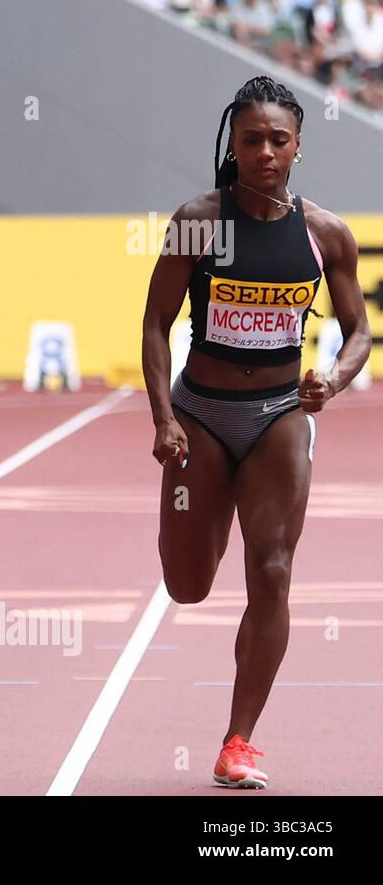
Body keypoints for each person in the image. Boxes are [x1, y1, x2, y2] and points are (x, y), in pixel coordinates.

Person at [141, 76, 371, 789]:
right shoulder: (198, 221)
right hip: (201, 416)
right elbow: (155, 322)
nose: (265, 151)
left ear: (298, 146)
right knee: (186, 585)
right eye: (251, 140)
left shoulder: (325, 233)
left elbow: (360, 331)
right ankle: (194, 549)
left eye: (278, 139)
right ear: (231, 145)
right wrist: (164, 417)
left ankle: (238, 740)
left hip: (279, 414)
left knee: (271, 569)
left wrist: (331, 379)